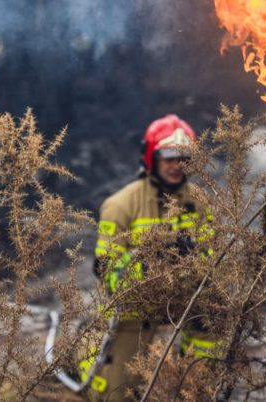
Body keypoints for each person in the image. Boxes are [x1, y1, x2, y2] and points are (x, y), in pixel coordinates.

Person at [82, 115, 216, 401]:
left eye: (184, 156)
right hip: (136, 302)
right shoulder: (120, 204)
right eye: (168, 156)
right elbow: (107, 276)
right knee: (114, 391)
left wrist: (193, 260)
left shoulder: (200, 200)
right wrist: (148, 264)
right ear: (151, 157)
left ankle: (195, 388)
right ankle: (95, 378)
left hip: (184, 294)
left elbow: (214, 260)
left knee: (215, 313)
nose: (176, 164)